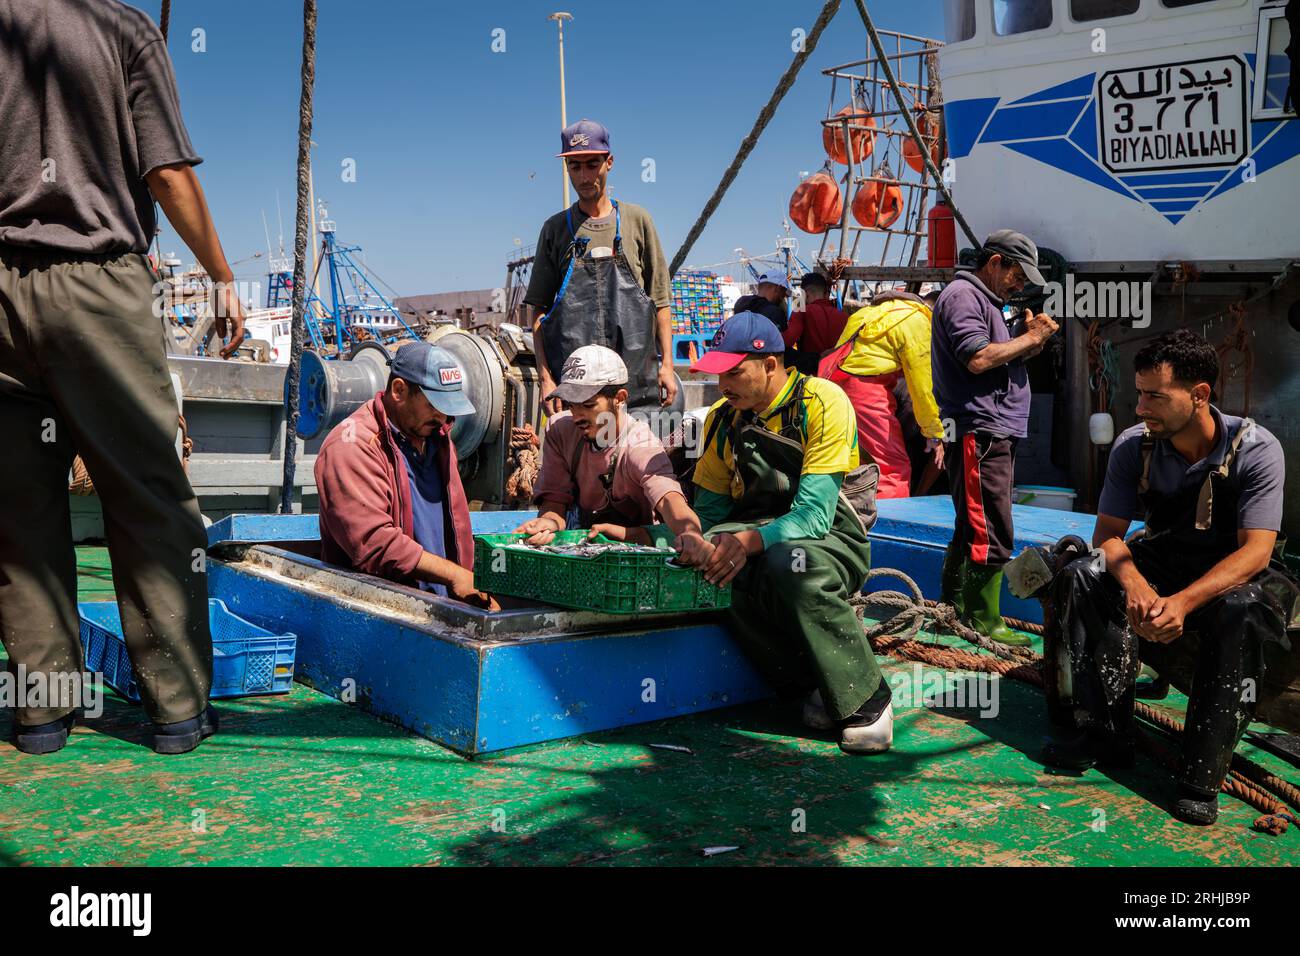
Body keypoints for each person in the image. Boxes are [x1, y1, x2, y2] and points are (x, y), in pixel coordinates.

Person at [0, 0, 249, 755]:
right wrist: (221, 273)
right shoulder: (124, 29)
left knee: (20, 512)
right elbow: (167, 174)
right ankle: (175, 711)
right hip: (98, 284)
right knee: (146, 495)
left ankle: (43, 715)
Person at [1040, 330, 1300, 826]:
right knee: (1083, 576)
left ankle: (1201, 775)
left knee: (1241, 607)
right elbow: (1110, 537)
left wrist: (1179, 604)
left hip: (1237, 573)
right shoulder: (1133, 447)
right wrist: (1137, 587)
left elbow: (1257, 550)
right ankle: (1104, 733)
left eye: (1155, 395)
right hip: (1167, 558)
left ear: (1199, 395)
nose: (1140, 407)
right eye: (1138, 393)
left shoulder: (1256, 449)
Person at [688, 312, 891, 754]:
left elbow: (815, 515)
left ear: (771, 364)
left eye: (734, 372)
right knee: (709, 571)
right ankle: (812, 684)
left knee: (790, 564)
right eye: (719, 373)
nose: (724, 384)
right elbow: (708, 513)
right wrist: (691, 543)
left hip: (833, 539)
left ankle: (867, 700)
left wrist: (746, 543)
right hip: (755, 535)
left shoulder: (822, 401)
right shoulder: (723, 420)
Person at [931, 230, 1058, 646]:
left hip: (991, 428)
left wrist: (1027, 344)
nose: (1021, 285)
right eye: (1019, 275)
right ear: (996, 262)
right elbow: (978, 358)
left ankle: (954, 608)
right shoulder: (963, 297)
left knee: (973, 523)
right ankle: (984, 619)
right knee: (990, 526)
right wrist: (1031, 337)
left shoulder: (984, 301)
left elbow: (994, 357)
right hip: (980, 429)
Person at [314, 343, 497, 609]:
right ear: (399, 390)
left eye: (448, 406)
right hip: (381, 613)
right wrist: (455, 575)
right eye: (435, 404)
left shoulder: (437, 437)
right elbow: (374, 543)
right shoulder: (352, 446)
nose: (443, 415)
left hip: (442, 607)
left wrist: (467, 579)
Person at [524, 119, 676, 416]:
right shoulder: (555, 230)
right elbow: (540, 312)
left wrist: (668, 366)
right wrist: (546, 378)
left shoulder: (637, 220)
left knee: (636, 459)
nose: (583, 176)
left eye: (592, 164)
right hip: (574, 393)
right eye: (574, 167)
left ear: (610, 162)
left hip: (635, 390)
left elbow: (660, 302)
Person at [514, 346, 706, 551]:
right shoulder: (560, 431)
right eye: (572, 405)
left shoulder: (639, 444)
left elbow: (669, 499)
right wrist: (549, 522)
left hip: (636, 549)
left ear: (620, 398)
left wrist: (691, 534)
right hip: (582, 543)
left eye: (588, 406)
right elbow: (554, 499)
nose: (577, 416)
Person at [818, 289, 944, 498]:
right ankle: (891, 523)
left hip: (833, 387)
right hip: (865, 390)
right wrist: (934, 433)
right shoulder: (918, 320)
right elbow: (923, 386)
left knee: (853, 462)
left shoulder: (867, 313)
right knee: (891, 470)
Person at [782, 272, 848, 375]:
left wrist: (797, 302)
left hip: (813, 374)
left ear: (804, 295)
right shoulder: (844, 316)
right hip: (839, 372)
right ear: (826, 294)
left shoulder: (802, 311)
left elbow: (787, 341)